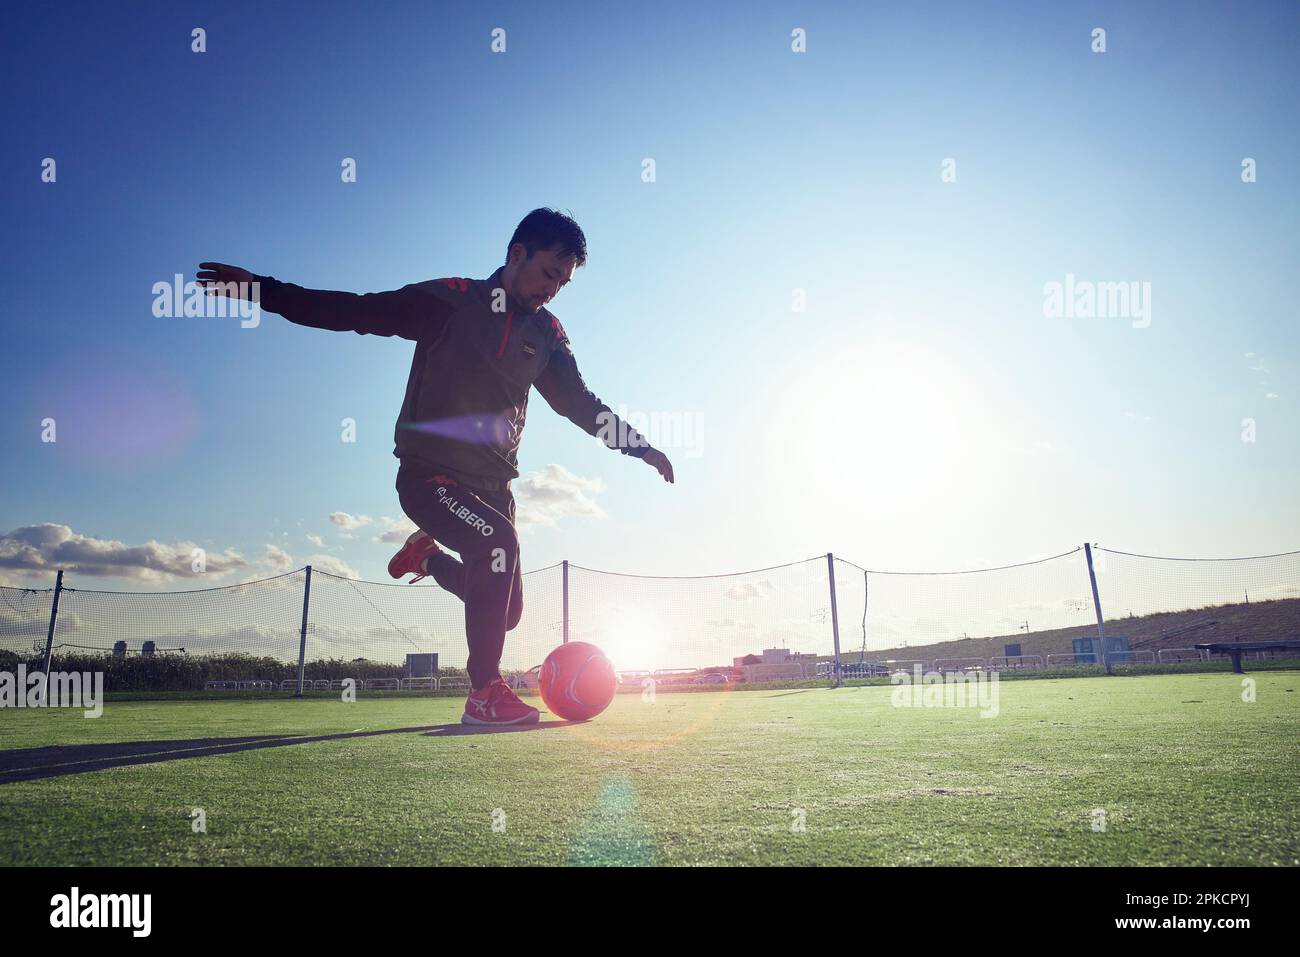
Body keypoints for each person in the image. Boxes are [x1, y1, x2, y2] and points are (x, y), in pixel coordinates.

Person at [197, 208, 674, 725]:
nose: (553, 289)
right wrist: (260, 290)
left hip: (494, 488)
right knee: (496, 544)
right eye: (548, 273)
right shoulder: (454, 301)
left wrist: (639, 446)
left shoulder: (548, 333)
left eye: (563, 281)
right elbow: (355, 311)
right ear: (517, 254)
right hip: (430, 477)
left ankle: (426, 559)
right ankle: (484, 694)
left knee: (505, 612)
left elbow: (578, 402)